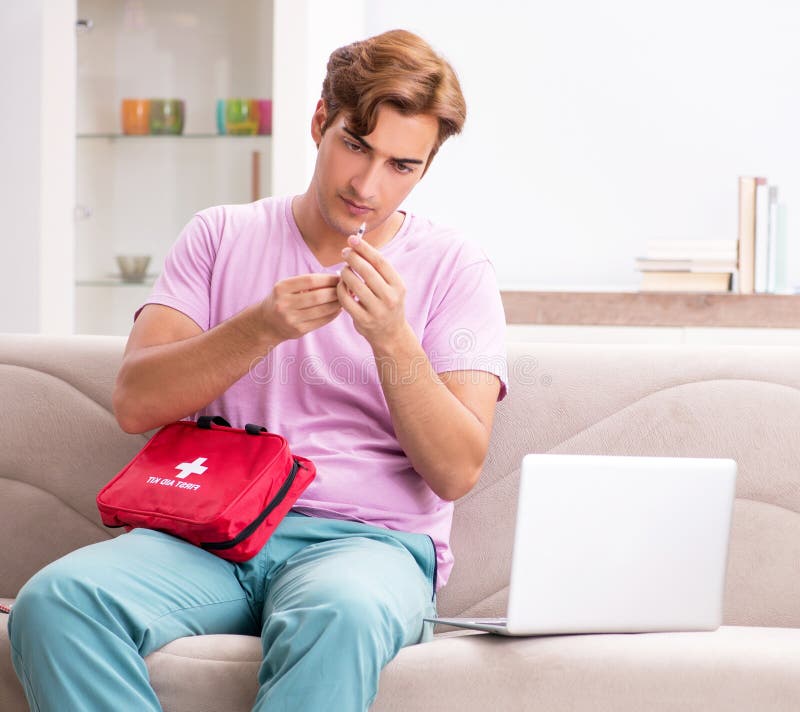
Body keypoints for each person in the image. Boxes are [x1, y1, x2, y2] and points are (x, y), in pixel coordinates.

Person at [8, 29, 507, 711]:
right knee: (55, 602)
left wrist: (393, 339)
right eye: (355, 147)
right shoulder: (219, 235)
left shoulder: (456, 268)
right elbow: (136, 402)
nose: (367, 185)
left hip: (365, 545)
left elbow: (456, 470)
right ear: (319, 123)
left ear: (425, 169)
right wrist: (261, 326)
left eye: (401, 165)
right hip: (208, 535)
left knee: (342, 613)